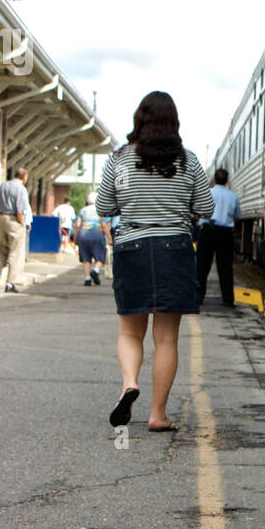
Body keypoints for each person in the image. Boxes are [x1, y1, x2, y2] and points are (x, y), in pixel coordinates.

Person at [96, 91, 214, 433]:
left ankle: (129, 383)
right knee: (166, 339)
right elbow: (206, 208)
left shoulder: (118, 159)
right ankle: (158, 415)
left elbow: (105, 207)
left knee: (130, 331)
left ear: (140, 119)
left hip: (131, 247)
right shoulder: (188, 161)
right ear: (173, 123)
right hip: (174, 248)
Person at [196, 168, 241, 306]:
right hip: (225, 233)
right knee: (225, 267)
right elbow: (237, 216)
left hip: (207, 231)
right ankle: (228, 300)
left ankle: (198, 298)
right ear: (227, 181)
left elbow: (199, 212)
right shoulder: (233, 196)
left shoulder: (207, 193)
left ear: (214, 180)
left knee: (202, 266)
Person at [0, 166, 30, 293]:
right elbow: (20, 211)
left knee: (3, 248)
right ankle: (10, 282)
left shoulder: (3, 186)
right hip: (14, 220)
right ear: (24, 178)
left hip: (1, 218)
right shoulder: (21, 189)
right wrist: (23, 223)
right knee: (15, 252)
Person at [73, 193, 111, 285]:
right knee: (101, 254)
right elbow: (104, 226)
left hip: (83, 233)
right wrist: (110, 238)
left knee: (85, 257)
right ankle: (96, 270)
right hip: (96, 233)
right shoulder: (101, 209)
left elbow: (78, 225)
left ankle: (87, 278)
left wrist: (75, 238)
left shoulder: (83, 210)